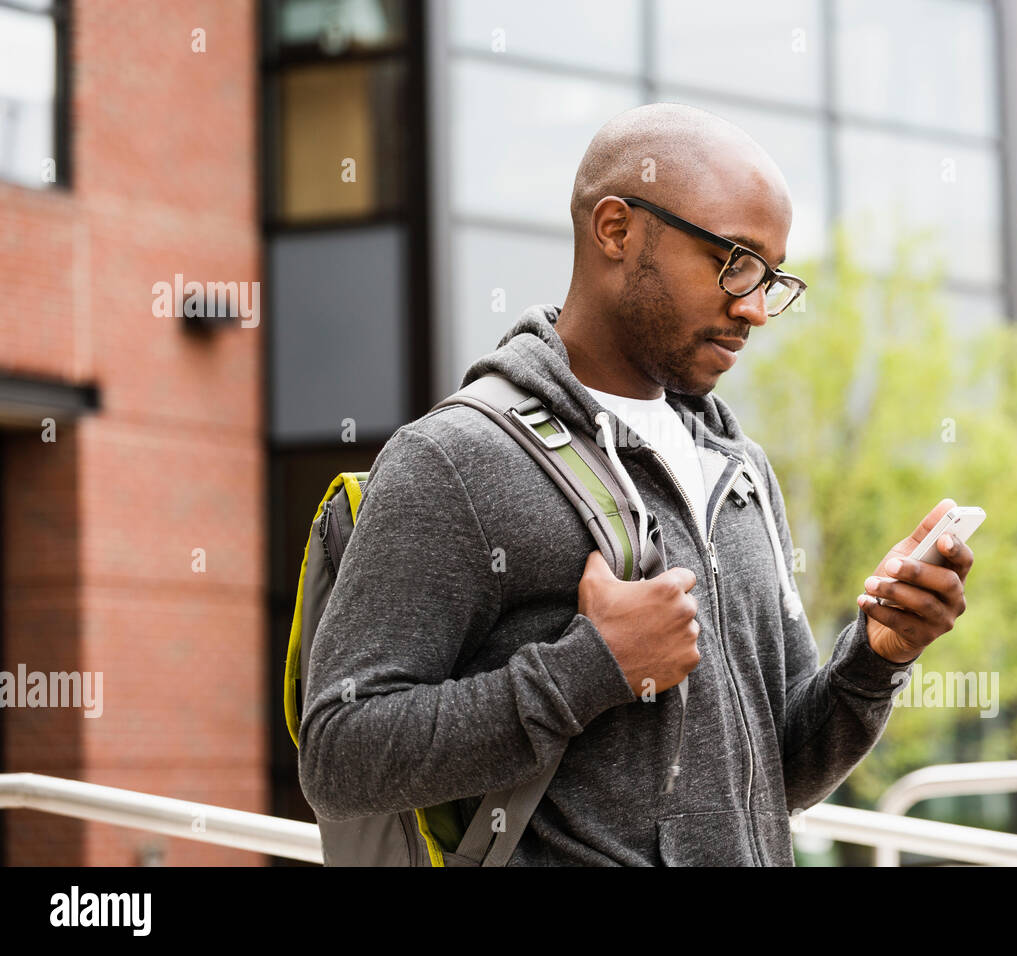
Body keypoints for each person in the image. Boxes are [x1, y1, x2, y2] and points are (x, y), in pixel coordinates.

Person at [297, 102, 974, 866]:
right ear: (616, 229)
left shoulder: (738, 468)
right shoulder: (456, 458)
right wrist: (589, 670)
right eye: (734, 261)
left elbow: (776, 774)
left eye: (772, 278)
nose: (753, 307)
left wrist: (877, 656)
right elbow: (338, 756)